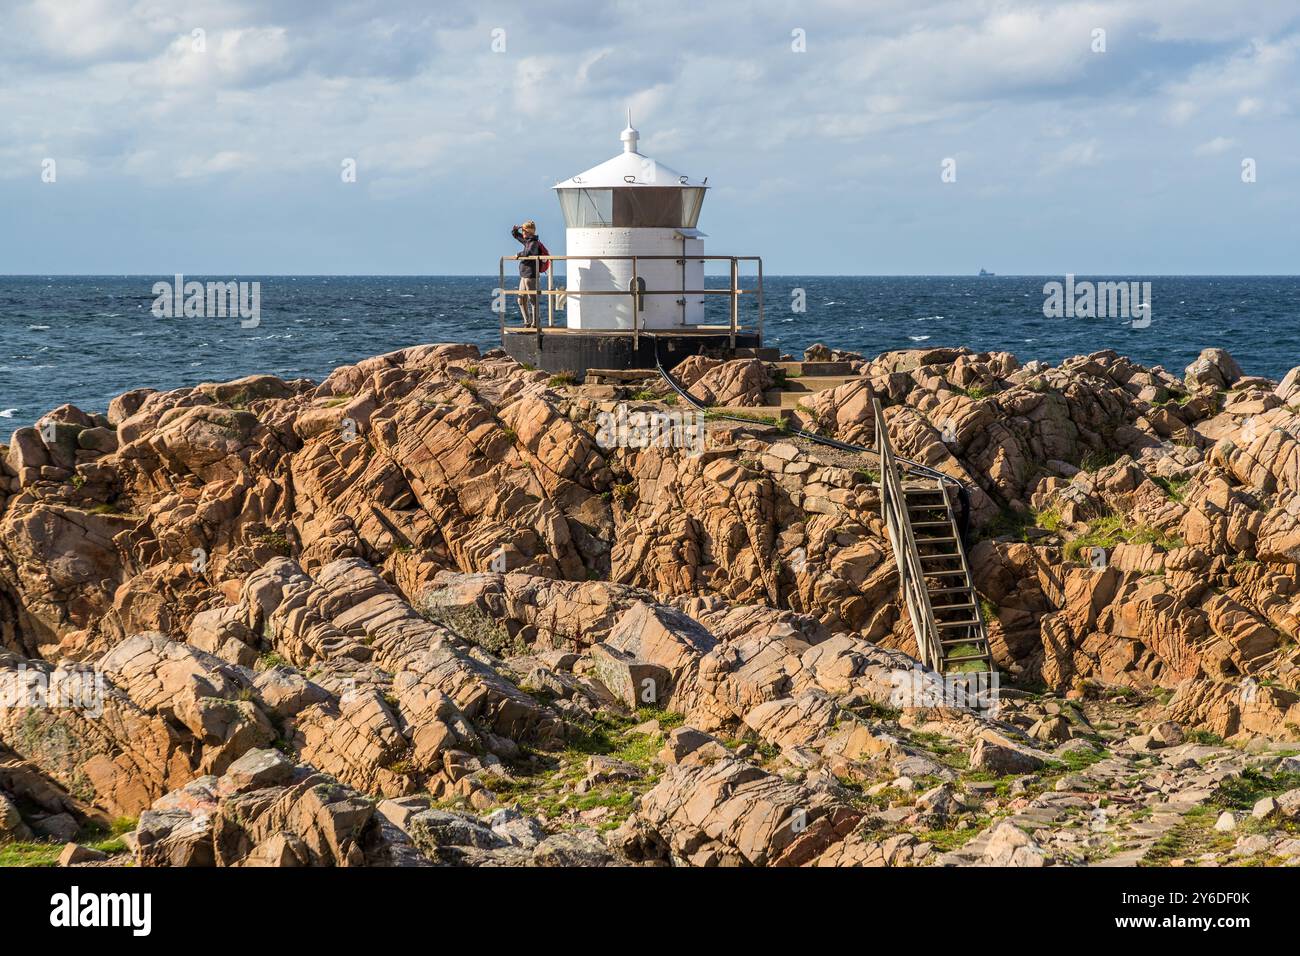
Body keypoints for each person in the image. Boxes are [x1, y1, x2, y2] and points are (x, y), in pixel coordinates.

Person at [510, 220, 546, 327]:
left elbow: (528, 253)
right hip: (524, 275)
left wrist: (518, 254)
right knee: (521, 299)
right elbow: (516, 236)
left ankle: (535, 323)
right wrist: (515, 230)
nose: (523, 233)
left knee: (532, 300)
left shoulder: (534, 243)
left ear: (530, 232)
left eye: (524, 231)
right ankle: (527, 322)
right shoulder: (527, 241)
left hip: (531, 275)